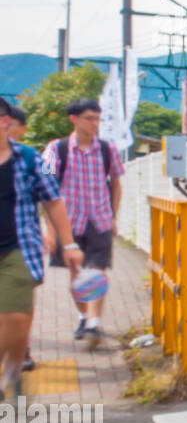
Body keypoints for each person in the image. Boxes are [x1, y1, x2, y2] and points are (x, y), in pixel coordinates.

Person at [0, 98, 84, 399]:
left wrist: (68, 243)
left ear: (5, 122)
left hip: (18, 248)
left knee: (16, 317)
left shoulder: (33, 159)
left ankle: (11, 367)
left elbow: (54, 200)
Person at [40, 98, 124, 349]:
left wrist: (113, 216)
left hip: (99, 220)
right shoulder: (56, 149)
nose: (95, 124)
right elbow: (45, 189)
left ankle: (93, 323)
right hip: (70, 224)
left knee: (97, 272)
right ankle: (83, 316)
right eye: (89, 118)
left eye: (98, 119)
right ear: (74, 119)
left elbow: (117, 184)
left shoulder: (108, 149)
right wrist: (50, 228)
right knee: (78, 276)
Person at [5, 105, 37, 372]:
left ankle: (20, 351)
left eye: (13, 124)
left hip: (21, 245)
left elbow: (51, 193)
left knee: (18, 306)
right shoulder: (56, 150)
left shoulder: (33, 157)